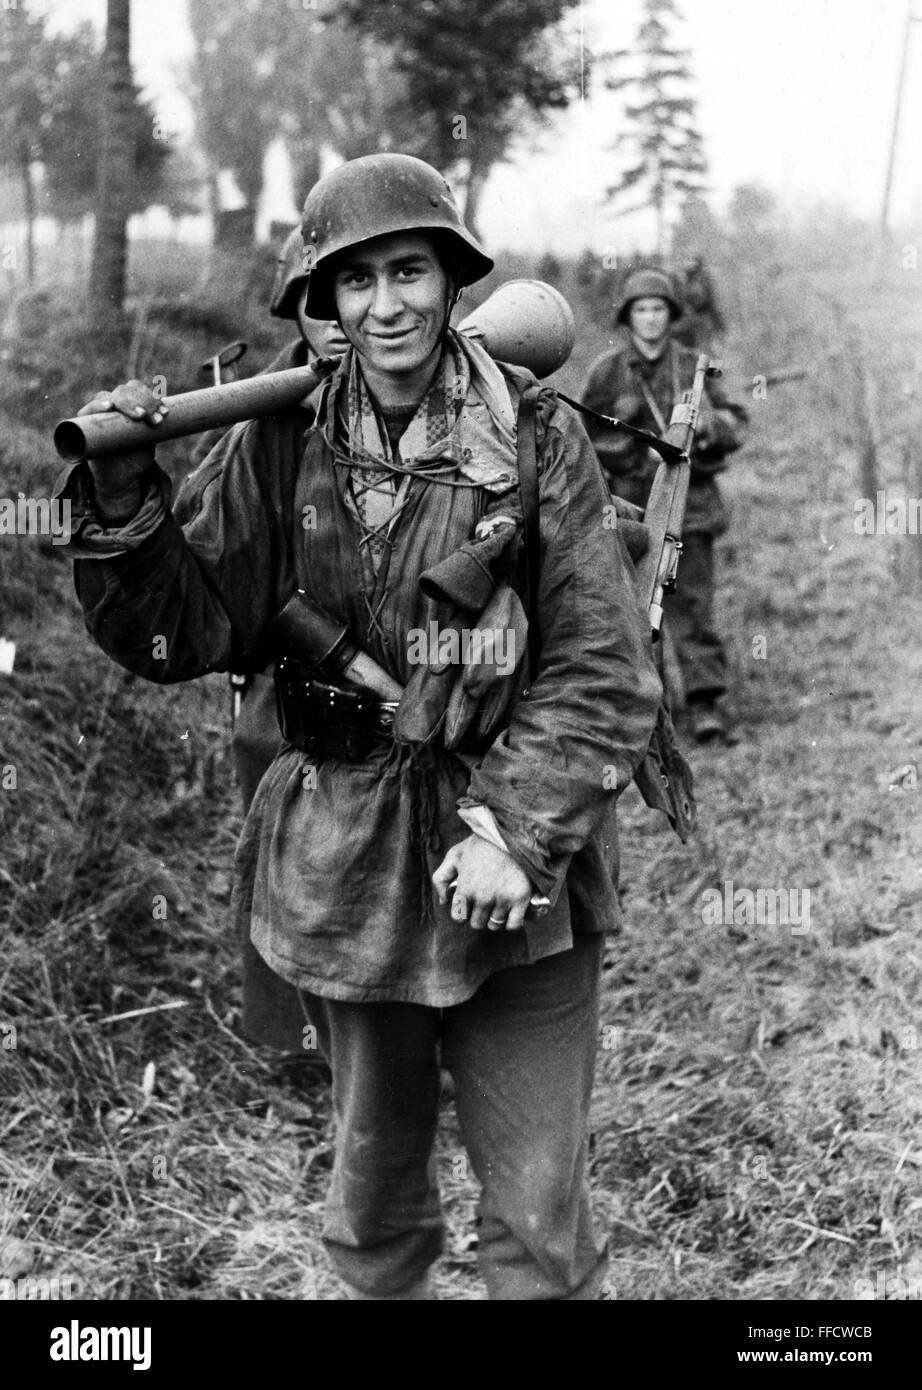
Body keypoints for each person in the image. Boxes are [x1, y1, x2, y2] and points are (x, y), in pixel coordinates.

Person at [56, 153, 661, 1300]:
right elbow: (184, 634)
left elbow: (601, 667)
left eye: (411, 271)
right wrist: (129, 493)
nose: (387, 305)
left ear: (449, 280)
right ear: (323, 305)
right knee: (373, 1201)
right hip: (345, 856)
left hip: (510, 865)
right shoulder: (277, 442)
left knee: (536, 1213)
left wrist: (512, 833)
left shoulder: (535, 440)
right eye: (356, 281)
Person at [177, 230, 349, 1058]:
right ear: (298, 314)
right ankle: (290, 1041)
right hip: (290, 674)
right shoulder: (266, 421)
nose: (344, 318)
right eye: (321, 300)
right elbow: (212, 561)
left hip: (419, 672)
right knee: (279, 848)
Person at [580, 267, 748, 743]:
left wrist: (705, 427)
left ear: (671, 315)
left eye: (658, 309)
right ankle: (642, 714)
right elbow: (584, 438)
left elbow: (738, 421)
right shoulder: (607, 373)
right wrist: (635, 448)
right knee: (630, 611)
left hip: (691, 504)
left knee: (693, 607)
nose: (650, 319)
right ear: (627, 317)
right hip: (631, 507)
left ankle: (705, 706)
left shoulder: (695, 365)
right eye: (641, 310)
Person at [672, 253, 726, 354]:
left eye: (692, 260)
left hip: (701, 322)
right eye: (687, 259)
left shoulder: (704, 279)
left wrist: (719, 325)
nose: (689, 263)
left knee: (704, 354)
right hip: (683, 323)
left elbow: (712, 302)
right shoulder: (678, 279)